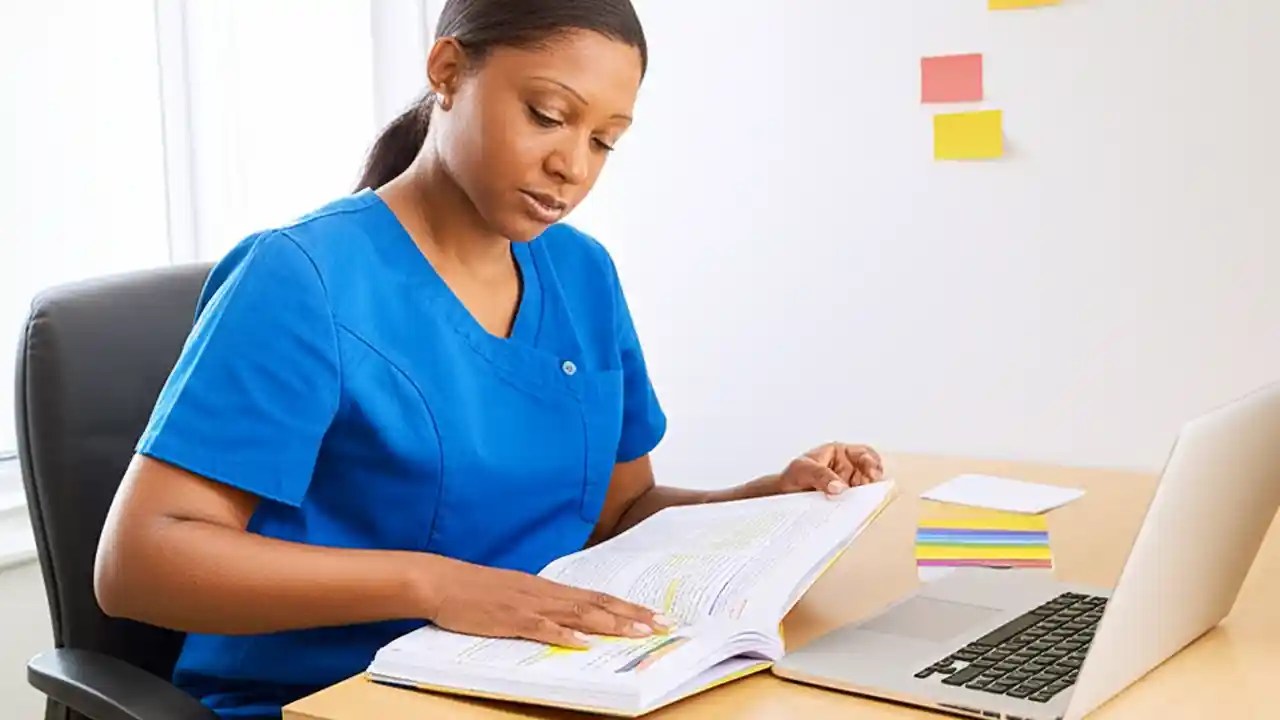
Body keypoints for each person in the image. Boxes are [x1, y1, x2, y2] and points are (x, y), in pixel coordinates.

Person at [93, 0, 885, 717]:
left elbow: (619, 515)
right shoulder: (302, 279)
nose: (574, 166)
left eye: (604, 140)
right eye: (548, 116)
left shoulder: (582, 274)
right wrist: (436, 586)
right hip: (326, 698)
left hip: (533, 684)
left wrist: (759, 501)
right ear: (447, 71)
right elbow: (139, 562)